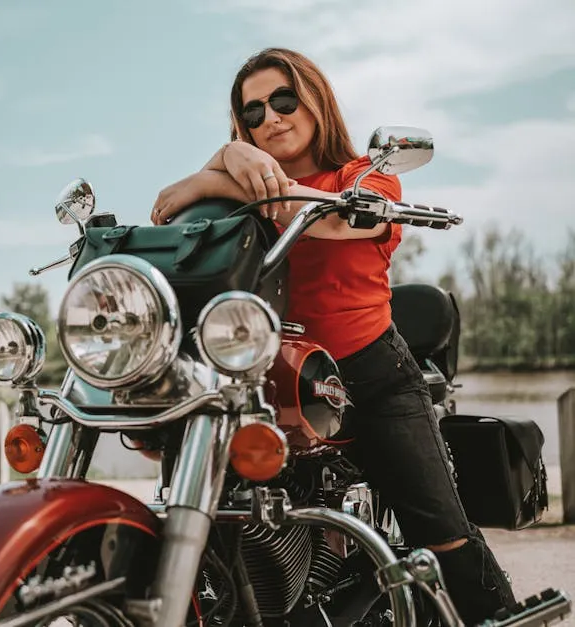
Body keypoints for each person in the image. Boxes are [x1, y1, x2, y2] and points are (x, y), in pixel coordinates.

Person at [151, 47, 516, 625]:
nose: (270, 117)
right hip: (270, 382)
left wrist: (223, 171)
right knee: (219, 522)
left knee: (439, 529)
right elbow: (170, 217)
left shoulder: (363, 177)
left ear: (315, 100)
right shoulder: (229, 189)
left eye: (284, 100)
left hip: (367, 374)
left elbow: (339, 220)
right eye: (251, 114)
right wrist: (220, 165)